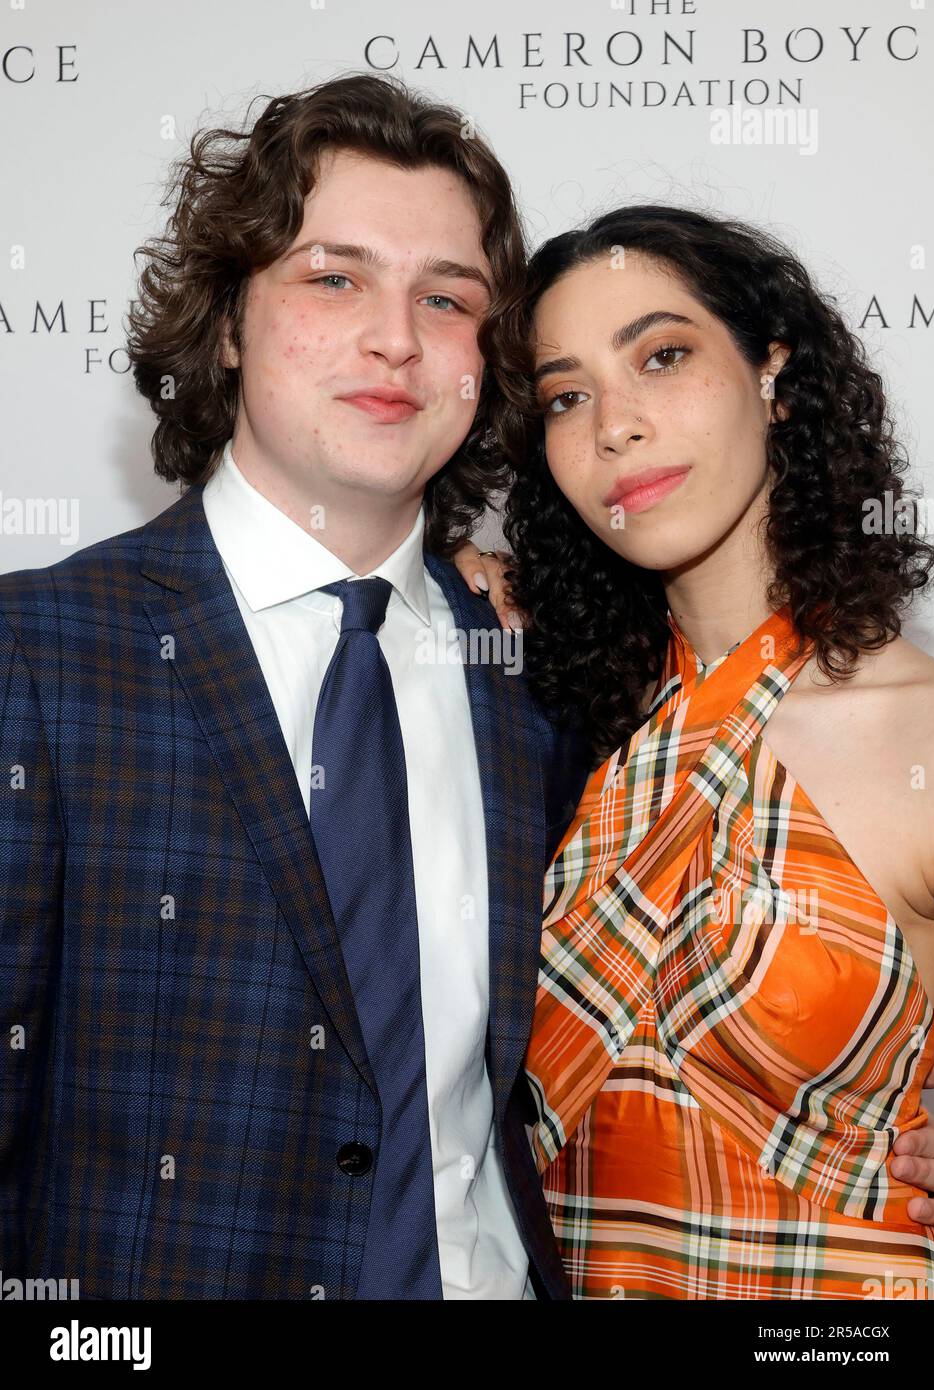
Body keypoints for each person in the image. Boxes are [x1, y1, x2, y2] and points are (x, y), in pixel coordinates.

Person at [0, 74, 589, 1301]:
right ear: (227, 323)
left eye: (448, 299)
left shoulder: (542, 676)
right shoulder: (38, 654)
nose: (396, 339)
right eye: (336, 279)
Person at [453, 204, 934, 1297]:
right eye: (568, 397)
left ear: (774, 370)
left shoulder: (922, 733)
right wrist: (426, 586)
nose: (614, 427)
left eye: (663, 356)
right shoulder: (543, 722)